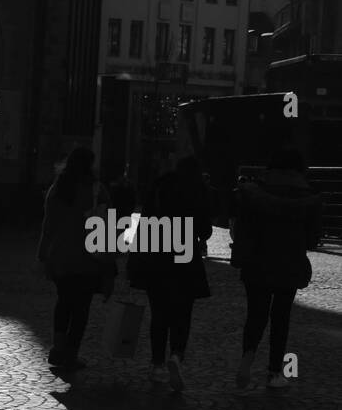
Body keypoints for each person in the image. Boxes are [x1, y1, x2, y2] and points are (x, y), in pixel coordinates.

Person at [231, 146, 322, 389]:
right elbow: (314, 238)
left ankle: (247, 357)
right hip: (290, 262)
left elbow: (241, 228)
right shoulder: (308, 195)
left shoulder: (254, 190)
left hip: (257, 261)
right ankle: (274, 372)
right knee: (281, 317)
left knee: (256, 314)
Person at [129, 156, 212, 392]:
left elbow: (145, 221)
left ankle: (156, 364)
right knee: (183, 312)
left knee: (159, 313)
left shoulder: (160, 185)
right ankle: (176, 355)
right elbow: (205, 230)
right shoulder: (197, 190)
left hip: (157, 252)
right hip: (185, 255)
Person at [37, 146, 115, 371]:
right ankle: (71, 352)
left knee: (63, 301)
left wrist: (43, 255)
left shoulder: (57, 189)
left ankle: (57, 347)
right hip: (87, 258)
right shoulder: (97, 191)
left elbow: (47, 225)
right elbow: (107, 227)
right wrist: (109, 263)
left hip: (60, 256)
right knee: (81, 308)